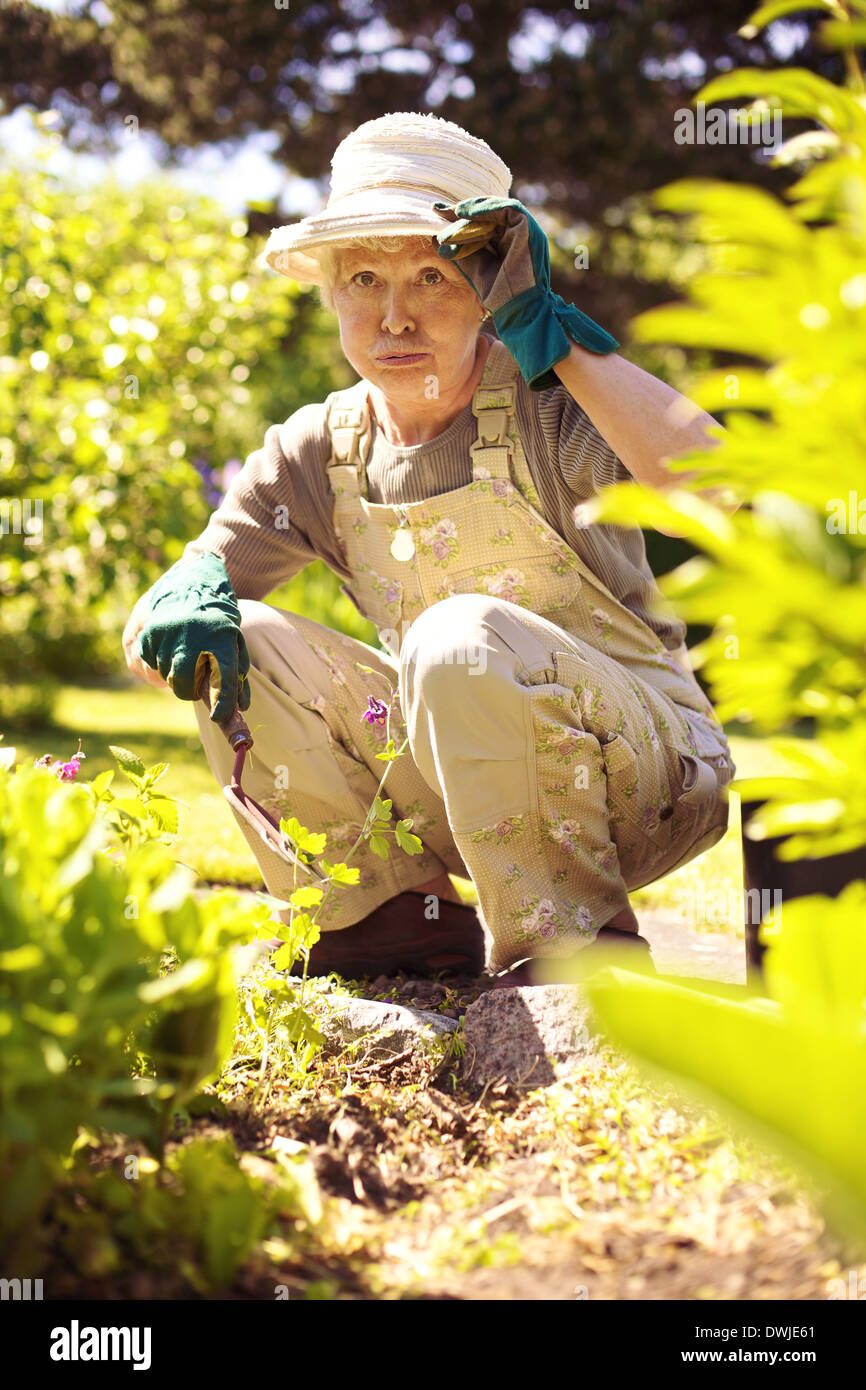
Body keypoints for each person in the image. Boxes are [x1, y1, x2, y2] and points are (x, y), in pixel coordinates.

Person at [122, 112, 736, 987]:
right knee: (245, 640)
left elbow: (721, 495)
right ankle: (387, 923)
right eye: (365, 278)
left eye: (434, 276)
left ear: (487, 287)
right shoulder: (315, 448)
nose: (395, 316)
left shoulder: (554, 403)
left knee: (457, 634)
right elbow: (158, 641)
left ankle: (567, 946)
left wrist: (557, 339)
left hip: (647, 780)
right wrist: (173, 608)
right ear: (331, 292)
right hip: (464, 794)